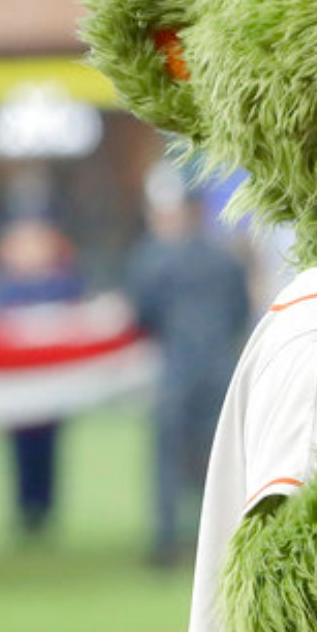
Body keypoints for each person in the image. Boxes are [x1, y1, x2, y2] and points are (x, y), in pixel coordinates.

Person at [124, 165, 251, 567]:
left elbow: (141, 315)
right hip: (221, 372)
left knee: (168, 460)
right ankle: (221, 545)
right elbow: (239, 312)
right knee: (220, 465)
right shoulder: (224, 258)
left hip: (177, 372)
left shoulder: (151, 258)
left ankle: (165, 544)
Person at [0, 216, 83, 539]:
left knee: (49, 448)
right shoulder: (5, 286)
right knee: (19, 451)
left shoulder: (62, 283)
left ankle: (45, 508)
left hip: (52, 383)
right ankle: (24, 509)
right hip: (16, 386)